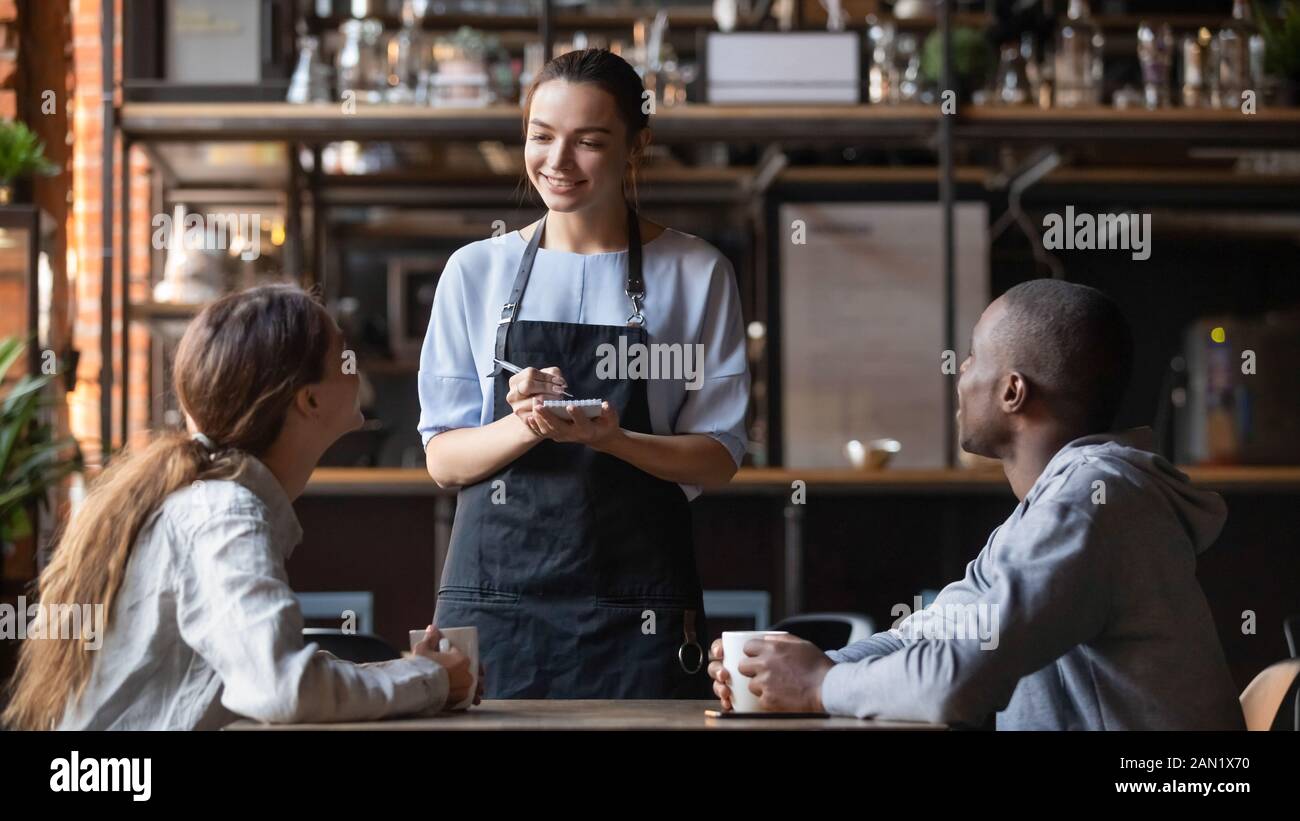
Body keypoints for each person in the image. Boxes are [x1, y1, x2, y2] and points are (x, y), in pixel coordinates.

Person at [709, 279, 1245, 730]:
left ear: (1013, 391)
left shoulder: (1090, 502)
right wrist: (787, 670)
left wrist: (820, 684)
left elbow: (957, 680)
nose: (959, 374)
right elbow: (934, 633)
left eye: (971, 358)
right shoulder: (1048, 509)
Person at [419, 49, 749, 698]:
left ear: (636, 147)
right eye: (541, 137)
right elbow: (444, 459)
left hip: (638, 609)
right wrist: (527, 425)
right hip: (495, 607)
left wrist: (614, 438)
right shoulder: (473, 272)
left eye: (589, 141)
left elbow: (718, 456)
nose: (557, 162)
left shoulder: (695, 271)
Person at [3, 285, 478, 730]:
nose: (356, 364)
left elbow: (266, 669)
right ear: (309, 400)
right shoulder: (223, 514)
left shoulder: (211, 500)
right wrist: (428, 681)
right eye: (343, 358)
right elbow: (283, 687)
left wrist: (413, 670)